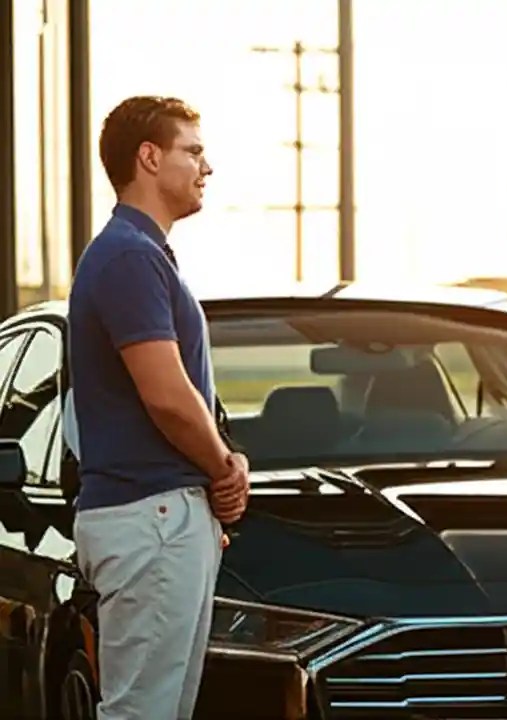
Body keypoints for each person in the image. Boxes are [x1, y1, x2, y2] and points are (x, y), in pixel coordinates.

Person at [67, 95, 249, 720]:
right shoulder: (128, 256)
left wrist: (218, 469)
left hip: (163, 515)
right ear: (149, 157)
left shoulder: (143, 255)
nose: (207, 166)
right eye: (192, 151)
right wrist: (224, 468)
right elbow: (169, 397)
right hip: (152, 517)